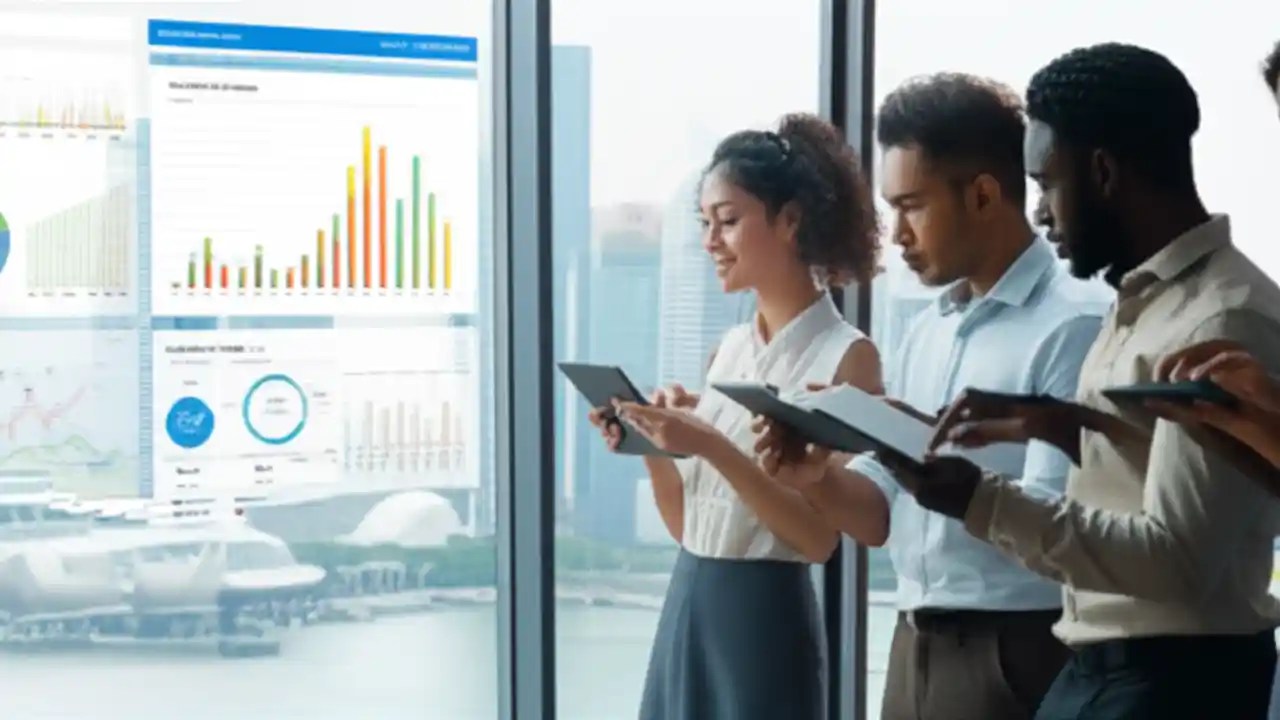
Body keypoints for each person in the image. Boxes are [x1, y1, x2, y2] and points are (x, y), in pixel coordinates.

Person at [895, 43, 1280, 719]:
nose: (1040, 213)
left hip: (1171, 685)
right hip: (1111, 670)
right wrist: (1072, 428)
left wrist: (981, 502)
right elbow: (1164, 484)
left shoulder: (1221, 317)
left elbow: (1176, 563)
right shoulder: (1141, 303)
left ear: (1102, 172)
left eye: (1046, 183)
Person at [756, 73, 1103, 720]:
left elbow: (1064, 531)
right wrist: (814, 478)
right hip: (913, 641)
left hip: (1016, 648)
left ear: (982, 195)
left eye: (912, 206)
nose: (897, 235)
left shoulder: (1075, 324)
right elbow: (878, 516)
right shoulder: (924, 330)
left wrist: (945, 470)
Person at [587, 113, 883, 720]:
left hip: (763, 622)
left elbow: (816, 538)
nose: (710, 241)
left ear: (791, 220)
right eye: (704, 224)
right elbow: (686, 526)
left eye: (727, 221)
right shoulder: (729, 350)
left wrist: (710, 445)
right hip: (689, 602)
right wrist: (655, 447)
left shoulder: (848, 356)